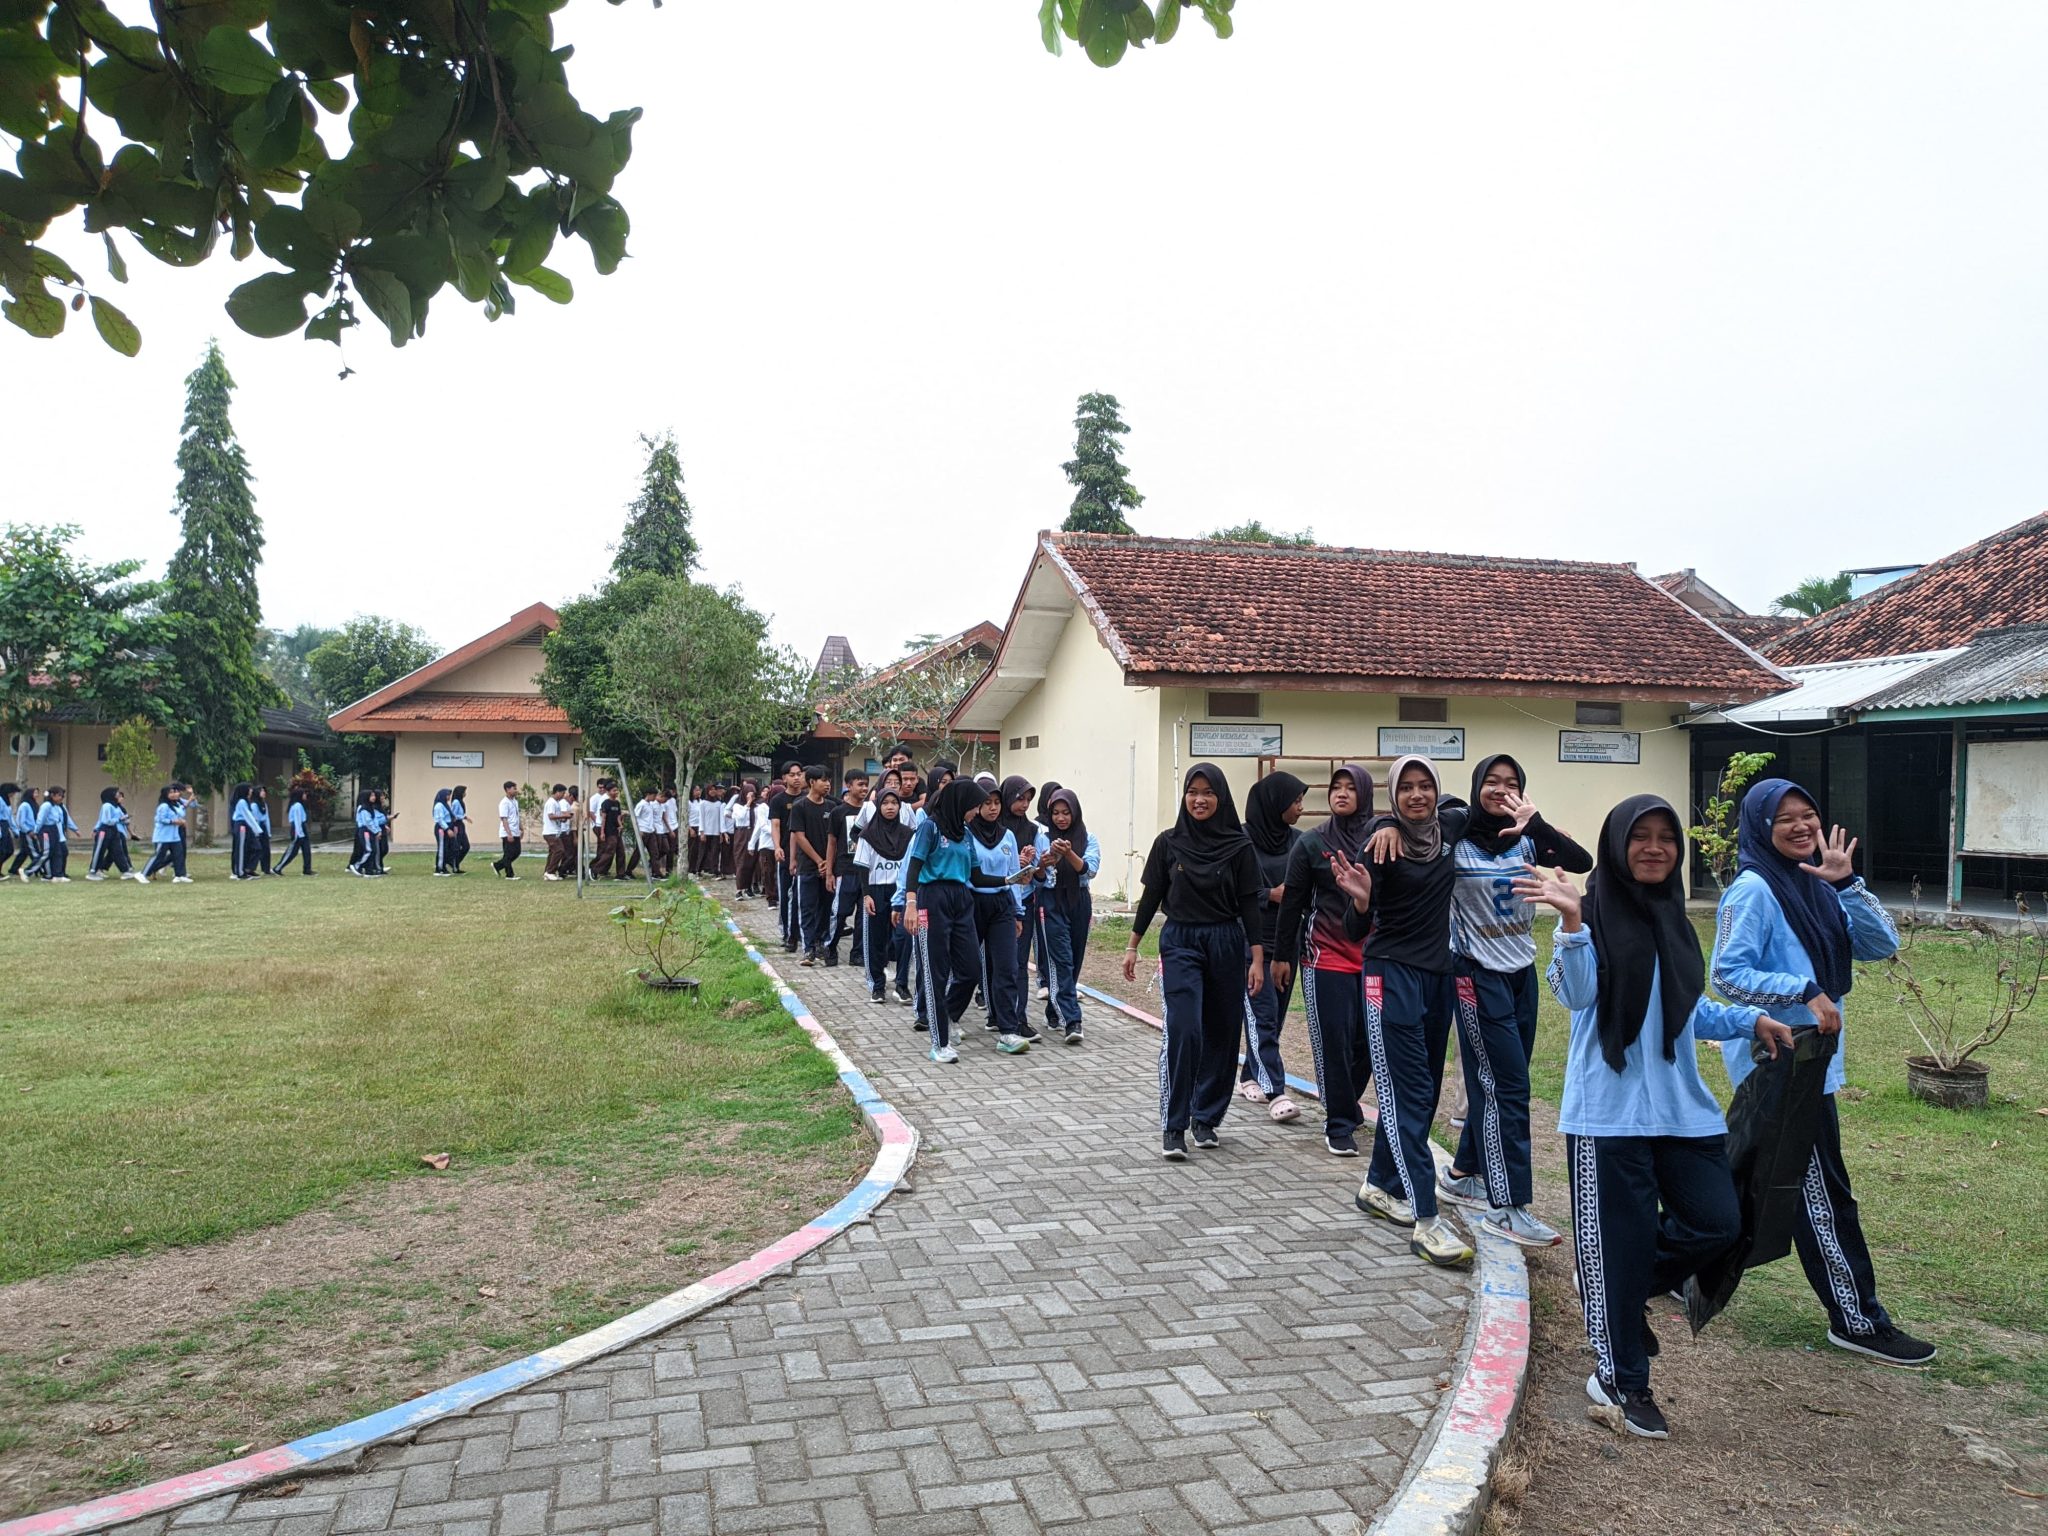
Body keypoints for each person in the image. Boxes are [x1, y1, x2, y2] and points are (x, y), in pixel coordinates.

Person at [1520, 794, 1793, 1439]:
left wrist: (1747, 1017)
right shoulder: (1591, 917)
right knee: (1619, 1243)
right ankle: (1620, 1378)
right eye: (1639, 836)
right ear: (1617, 846)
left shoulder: (1675, 921)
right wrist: (1570, 927)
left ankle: (1621, 1290)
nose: (1653, 848)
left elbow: (1684, 1008)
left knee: (1718, 1223)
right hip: (1608, 1118)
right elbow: (1577, 994)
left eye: (1666, 838)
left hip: (1681, 1113)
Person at [1710, 778, 1934, 1368]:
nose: (1802, 827)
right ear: (1759, 826)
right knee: (1820, 1198)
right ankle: (1857, 1320)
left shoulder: (1813, 885)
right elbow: (1726, 975)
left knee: (1750, 1183)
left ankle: (1658, 1266)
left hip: (1814, 1064)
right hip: (1783, 1064)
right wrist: (1801, 989)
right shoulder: (1754, 890)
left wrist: (1849, 884)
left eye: (1808, 815)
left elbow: (1880, 945)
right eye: (1785, 819)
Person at [1435, 754, 1592, 1250]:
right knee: (1509, 1086)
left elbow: (1582, 861)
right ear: (1477, 785)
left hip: (1521, 973)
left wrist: (1537, 821)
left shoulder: (1527, 837)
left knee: (1497, 1078)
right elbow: (1420, 829)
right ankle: (1507, 1207)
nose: (1500, 791)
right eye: (1492, 782)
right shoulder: (1455, 839)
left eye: (1512, 784)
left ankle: (1463, 1172)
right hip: (1474, 974)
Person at [1350, 756, 1475, 1267]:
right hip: (1388, 975)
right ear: (1393, 794)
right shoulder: (1380, 846)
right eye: (1407, 788)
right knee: (1409, 1095)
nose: (1417, 796)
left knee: (1420, 1093)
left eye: (1426, 786)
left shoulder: (1448, 829)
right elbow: (1355, 931)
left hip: (1437, 978)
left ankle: (1377, 1184)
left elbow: (1472, 809)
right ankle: (1427, 1222)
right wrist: (1360, 903)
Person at [1126, 764, 1267, 1160]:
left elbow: (1248, 905)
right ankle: (1174, 1125)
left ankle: (1205, 1117)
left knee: (1223, 1033)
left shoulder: (1240, 847)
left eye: (1208, 792)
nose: (1199, 799)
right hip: (1181, 940)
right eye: (1192, 791)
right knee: (1185, 1029)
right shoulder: (1168, 843)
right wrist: (1132, 945)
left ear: (1220, 797)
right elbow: (1152, 895)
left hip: (1226, 939)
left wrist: (1256, 957)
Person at [1277, 766, 1379, 1150]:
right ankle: (1338, 1125)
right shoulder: (1311, 843)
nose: (1341, 793)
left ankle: (1345, 1102)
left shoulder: (1380, 840)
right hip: (1326, 957)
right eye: (1336, 787)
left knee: (1369, 1044)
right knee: (1332, 1042)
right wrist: (1282, 956)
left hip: (1373, 958)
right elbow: (1293, 903)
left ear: (1365, 793)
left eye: (1351, 788)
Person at [904, 779, 1030, 1062]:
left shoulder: (963, 833)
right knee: (936, 971)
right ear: (960, 802)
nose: (976, 812)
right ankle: (939, 1043)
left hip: (962, 899)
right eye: (975, 806)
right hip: (932, 898)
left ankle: (948, 1013)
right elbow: (914, 867)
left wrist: (1011, 879)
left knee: (971, 969)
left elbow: (977, 876)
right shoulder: (931, 827)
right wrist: (910, 904)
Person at [1243, 771, 1307, 1123]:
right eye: (1295, 801)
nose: (1300, 807)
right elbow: (1232, 889)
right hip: (1251, 943)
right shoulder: (1241, 839)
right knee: (1263, 1015)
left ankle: (1249, 1075)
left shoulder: (1298, 841)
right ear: (1274, 803)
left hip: (1286, 942)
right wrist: (1271, 895)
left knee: (1274, 1017)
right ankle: (1276, 1092)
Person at [966, 782, 1036, 1047]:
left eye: (996, 803)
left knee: (1007, 967)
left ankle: (1008, 1029)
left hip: (1002, 907)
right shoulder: (966, 834)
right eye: (986, 803)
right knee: (967, 967)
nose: (993, 808)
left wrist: (1018, 912)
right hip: (973, 905)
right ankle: (950, 1018)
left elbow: (1014, 879)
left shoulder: (1007, 836)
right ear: (976, 806)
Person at [1038, 788, 1097, 1044]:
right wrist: (1043, 863)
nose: (1061, 818)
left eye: (1066, 812)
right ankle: (1073, 1021)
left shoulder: (1088, 837)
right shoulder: (1041, 837)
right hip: (1051, 901)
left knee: (1075, 958)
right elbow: (1035, 876)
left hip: (1079, 901)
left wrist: (1069, 853)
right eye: (1056, 813)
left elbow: (1089, 870)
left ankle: (1055, 1007)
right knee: (1062, 960)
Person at [856, 785, 915, 1004]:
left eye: (894, 803)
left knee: (903, 938)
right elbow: (862, 866)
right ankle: (877, 985)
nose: (890, 807)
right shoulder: (868, 835)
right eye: (885, 803)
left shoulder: (908, 835)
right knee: (876, 940)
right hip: (876, 891)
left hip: (899, 893)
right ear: (878, 806)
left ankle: (901, 985)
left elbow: (912, 867)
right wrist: (866, 895)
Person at [997, 775, 1043, 1026]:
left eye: (1028, 800)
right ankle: (997, 1013)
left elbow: (1037, 873)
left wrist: (1030, 866)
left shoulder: (1032, 830)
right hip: (995, 900)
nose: (1024, 804)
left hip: (1023, 902)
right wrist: (1015, 862)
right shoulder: (994, 827)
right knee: (997, 962)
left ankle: (1018, 1016)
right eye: (1019, 798)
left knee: (1020, 962)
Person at [789, 765, 837, 965]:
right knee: (807, 908)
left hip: (829, 869)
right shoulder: (800, 806)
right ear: (811, 782)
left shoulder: (832, 807)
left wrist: (829, 864)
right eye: (823, 780)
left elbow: (834, 838)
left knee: (826, 908)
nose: (827, 784)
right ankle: (808, 948)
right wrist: (819, 861)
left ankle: (820, 943)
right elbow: (799, 836)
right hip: (808, 867)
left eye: (828, 780)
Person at [825, 770, 870, 967]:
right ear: (848, 786)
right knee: (840, 912)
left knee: (864, 915)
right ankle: (830, 946)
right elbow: (832, 843)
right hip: (845, 869)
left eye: (866, 784)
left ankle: (857, 953)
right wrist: (829, 872)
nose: (864, 788)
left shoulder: (871, 811)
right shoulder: (838, 812)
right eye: (860, 784)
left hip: (867, 872)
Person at [767, 761, 805, 950]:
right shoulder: (778, 800)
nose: (797, 778)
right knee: (785, 894)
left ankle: (799, 931)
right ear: (784, 778)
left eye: (799, 774)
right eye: (792, 774)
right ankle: (786, 931)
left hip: (805, 855)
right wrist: (776, 847)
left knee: (802, 896)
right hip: (785, 853)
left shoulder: (807, 798)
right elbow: (775, 825)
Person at [87, 787, 141, 881]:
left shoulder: (116, 806)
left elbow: (122, 818)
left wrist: (126, 818)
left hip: (114, 830)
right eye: (116, 793)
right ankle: (93, 872)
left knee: (118, 851)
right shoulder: (107, 806)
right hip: (104, 831)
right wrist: (119, 819)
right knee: (99, 851)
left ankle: (125, 871)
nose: (118, 795)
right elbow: (106, 820)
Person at [141, 784, 192, 882]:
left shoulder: (173, 805)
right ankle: (143, 874)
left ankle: (180, 875)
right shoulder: (163, 806)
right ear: (165, 794)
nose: (174, 794)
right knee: (158, 856)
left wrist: (181, 819)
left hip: (174, 836)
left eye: (174, 792)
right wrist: (175, 821)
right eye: (171, 793)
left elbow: (181, 813)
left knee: (178, 854)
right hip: (163, 836)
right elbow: (161, 819)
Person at [36, 786, 79, 881]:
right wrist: (36, 832)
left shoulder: (59, 806)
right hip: (49, 832)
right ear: (52, 795)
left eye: (62, 796)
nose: (62, 798)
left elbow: (66, 818)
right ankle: (47, 874)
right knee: (49, 853)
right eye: (60, 795)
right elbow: (40, 820)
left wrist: (75, 829)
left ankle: (59, 873)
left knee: (62, 853)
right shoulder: (47, 806)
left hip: (59, 833)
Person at [273, 786, 315, 874]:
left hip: (302, 828)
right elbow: (297, 821)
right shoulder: (297, 806)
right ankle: (277, 868)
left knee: (306, 850)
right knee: (292, 851)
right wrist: (300, 833)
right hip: (297, 829)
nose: (305, 795)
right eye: (303, 793)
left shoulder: (300, 805)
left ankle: (307, 869)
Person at [10, 787, 44, 880]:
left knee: (24, 852)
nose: (37, 795)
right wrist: (28, 831)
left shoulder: (34, 805)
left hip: (33, 831)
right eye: (35, 793)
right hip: (27, 832)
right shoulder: (24, 805)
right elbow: (21, 821)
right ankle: (37, 869)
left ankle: (13, 869)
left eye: (37, 793)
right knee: (35, 852)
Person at [541, 782, 573, 880]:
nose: (564, 795)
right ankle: (550, 871)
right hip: (550, 832)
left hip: (555, 831)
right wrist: (564, 815)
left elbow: (557, 817)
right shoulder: (551, 802)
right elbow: (551, 816)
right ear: (557, 792)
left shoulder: (557, 803)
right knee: (559, 850)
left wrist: (564, 818)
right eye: (563, 793)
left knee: (553, 852)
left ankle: (548, 872)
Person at [493, 780, 524, 878]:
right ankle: (509, 874)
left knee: (517, 852)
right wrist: (509, 834)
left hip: (515, 831)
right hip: (507, 832)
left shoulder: (515, 801)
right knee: (509, 853)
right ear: (507, 790)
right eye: (514, 789)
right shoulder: (504, 803)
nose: (516, 791)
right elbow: (504, 819)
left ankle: (497, 865)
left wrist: (521, 828)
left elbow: (516, 816)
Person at [227, 782, 258, 879]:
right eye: (249, 788)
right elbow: (248, 816)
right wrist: (257, 829)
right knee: (240, 850)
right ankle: (239, 872)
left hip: (245, 825)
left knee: (252, 848)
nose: (251, 790)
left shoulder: (246, 801)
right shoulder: (241, 802)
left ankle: (245, 869)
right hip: (241, 826)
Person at [432, 787, 458, 875]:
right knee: (442, 848)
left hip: (448, 827)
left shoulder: (446, 805)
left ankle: (445, 865)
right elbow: (440, 819)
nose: (449, 797)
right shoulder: (439, 805)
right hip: (442, 829)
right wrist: (447, 829)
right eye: (447, 795)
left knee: (450, 848)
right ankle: (439, 868)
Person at [251, 785, 276, 875]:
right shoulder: (254, 805)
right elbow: (255, 818)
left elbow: (267, 818)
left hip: (264, 827)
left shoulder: (264, 804)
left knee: (266, 849)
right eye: (261, 791)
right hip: (257, 828)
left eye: (264, 791)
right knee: (258, 849)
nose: (264, 793)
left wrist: (268, 832)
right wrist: (256, 832)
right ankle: (252, 868)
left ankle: (266, 868)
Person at [448, 785, 472, 873]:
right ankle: (454, 865)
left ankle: (455, 863)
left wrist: (464, 817)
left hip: (460, 824)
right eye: (464, 792)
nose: (465, 793)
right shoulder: (456, 802)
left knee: (466, 846)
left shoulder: (461, 802)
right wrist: (463, 817)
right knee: (457, 846)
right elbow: (453, 815)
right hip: (456, 825)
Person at [0, 783, 16, 877]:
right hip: (1, 825)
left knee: (9, 850)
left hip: (5, 825)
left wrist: (15, 830)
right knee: (1, 851)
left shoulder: (7, 802)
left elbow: (10, 818)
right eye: (12, 793)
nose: (12, 795)